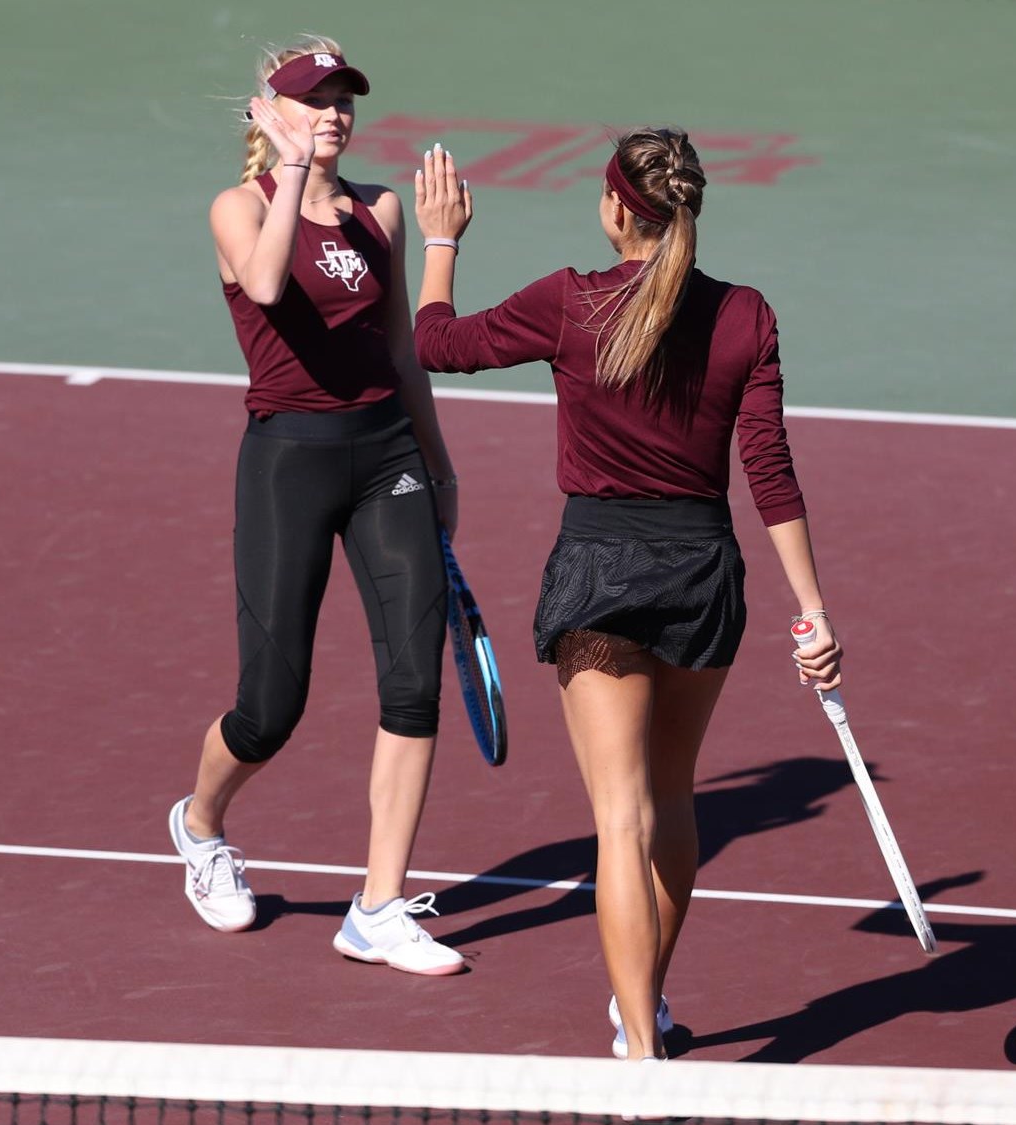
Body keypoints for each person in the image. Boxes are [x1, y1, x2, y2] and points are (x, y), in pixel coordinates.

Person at [411, 129, 843, 1056]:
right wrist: (813, 612)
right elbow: (769, 470)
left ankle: (640, 1049)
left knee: (619, 817)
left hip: (599, 575)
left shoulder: (568, 303)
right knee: (671, 802)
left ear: (616, 209)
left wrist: (440, 238)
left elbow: (435, 344)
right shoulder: (746, 315)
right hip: (703, 579)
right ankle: (641, 1005)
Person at [167, 36, 463, 977]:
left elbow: (401, 352)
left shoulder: (380, 212)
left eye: (343, 98)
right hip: (289, 460)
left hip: (387, 459)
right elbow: (261, 281)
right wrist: (290, 169)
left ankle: (377, 907)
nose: (334, 111)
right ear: (273, 112)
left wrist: (440, 463)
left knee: (416, 684)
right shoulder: (236, 207)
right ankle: (202, 823)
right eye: (313, 98)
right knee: (270, 706)